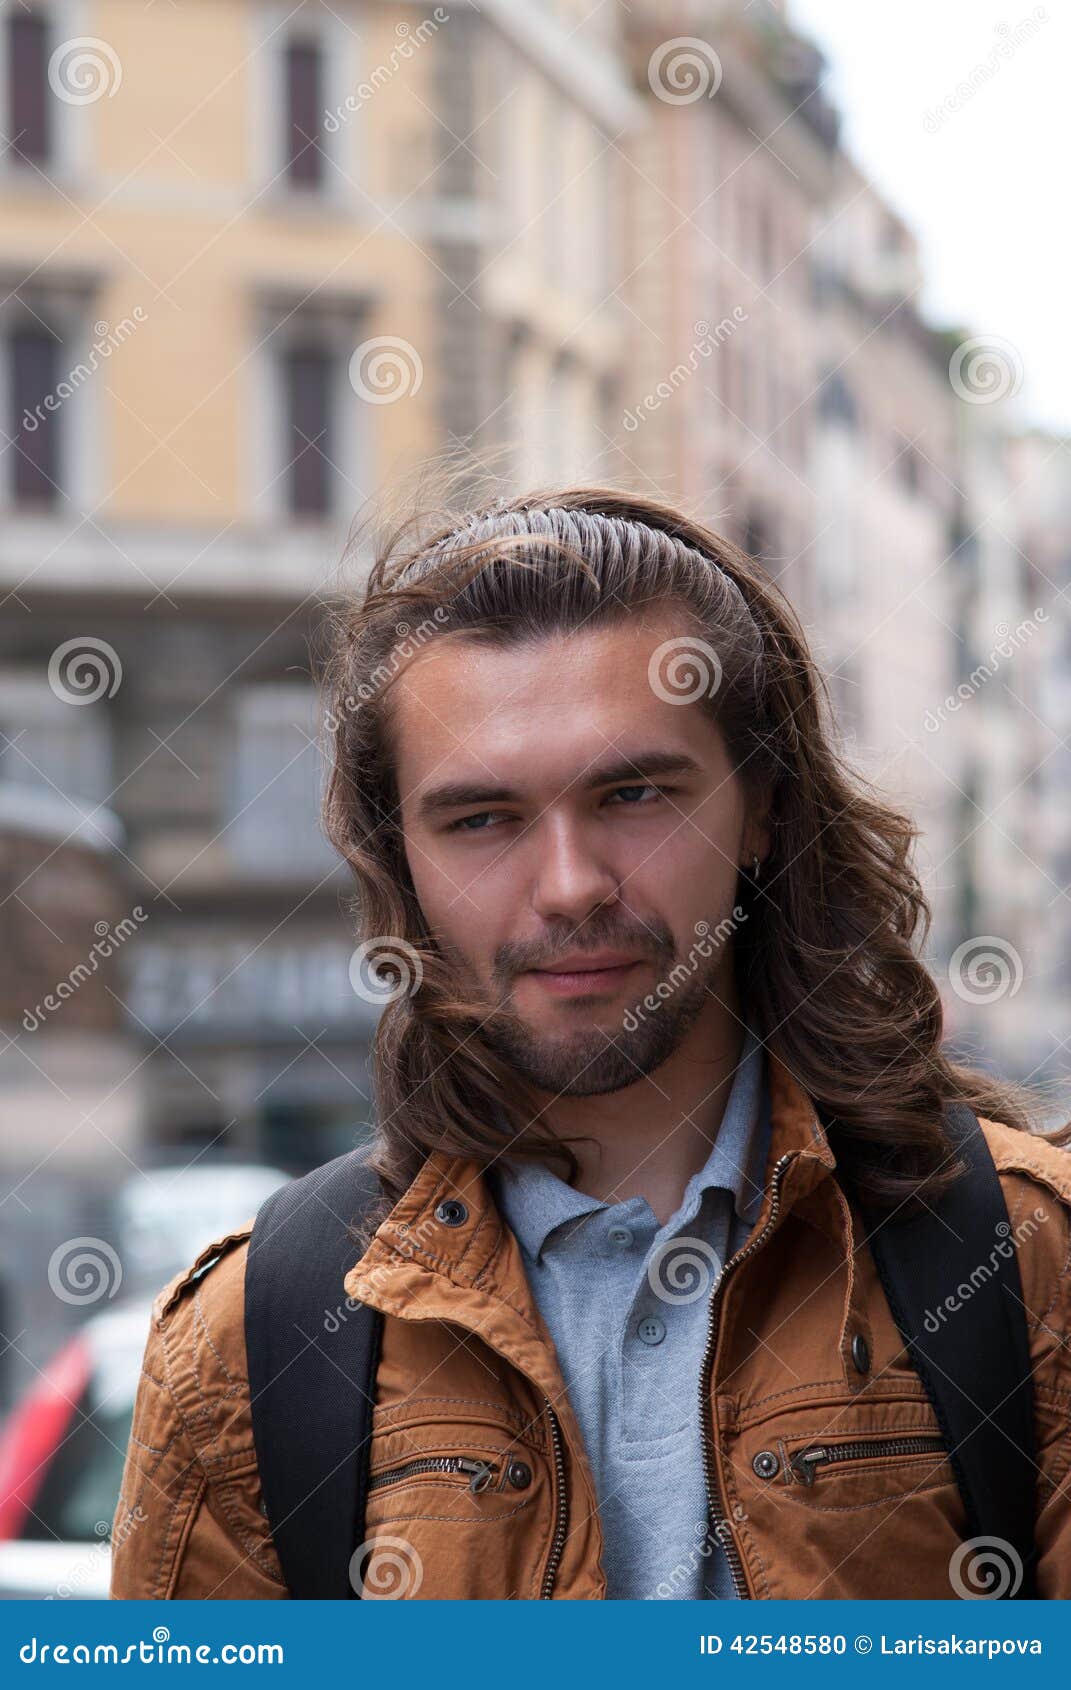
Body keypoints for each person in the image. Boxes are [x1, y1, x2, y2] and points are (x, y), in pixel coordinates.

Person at [110, 486, 1071, 1601]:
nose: (570, 887)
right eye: (482, 819)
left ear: (761, 805)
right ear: (400, 861)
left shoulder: (1028, 1261)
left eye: (632, 794)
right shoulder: (249, 1345)